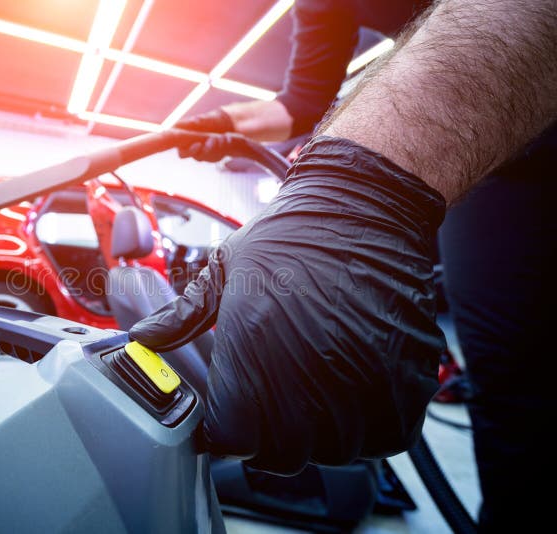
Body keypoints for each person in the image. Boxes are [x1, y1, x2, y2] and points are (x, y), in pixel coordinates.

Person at [129, 0, 556, 530]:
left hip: (514, 122)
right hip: (494, 168)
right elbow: (298, 104)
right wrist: (216, 125)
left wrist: (353, 185)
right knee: (514, 382)